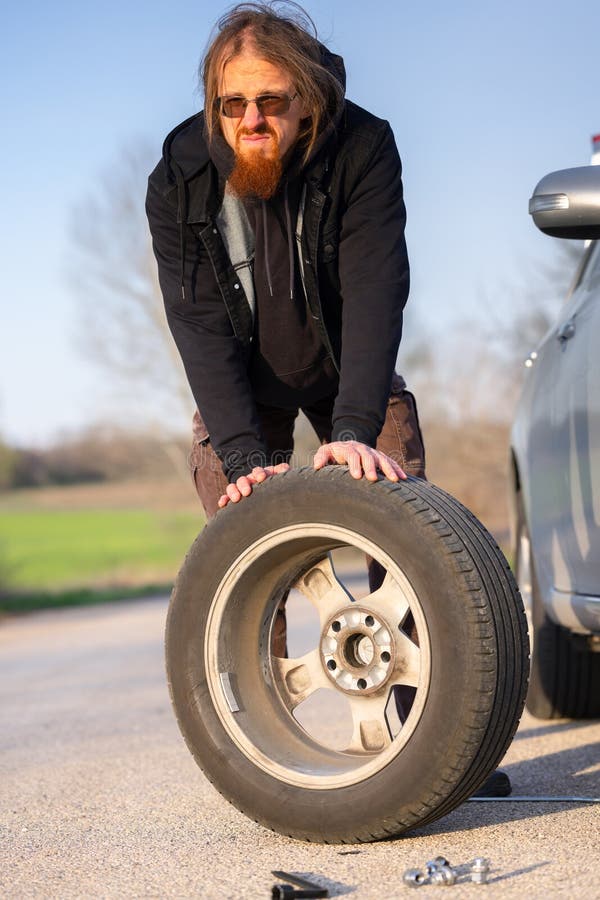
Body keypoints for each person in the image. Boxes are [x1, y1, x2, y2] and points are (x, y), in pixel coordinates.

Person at [146, 0, 509, 798]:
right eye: (231, 104)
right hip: (243, 384)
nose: (250, 121)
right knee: (239, 529)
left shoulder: (363, 146)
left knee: (410, 527)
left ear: (307, 96)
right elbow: (198, 324)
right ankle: (265, 751)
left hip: (351, 364)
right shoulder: (180, 175)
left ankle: (437, 736)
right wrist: (242, 458)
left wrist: (354, 427)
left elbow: (380, 288)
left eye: (270, 101)